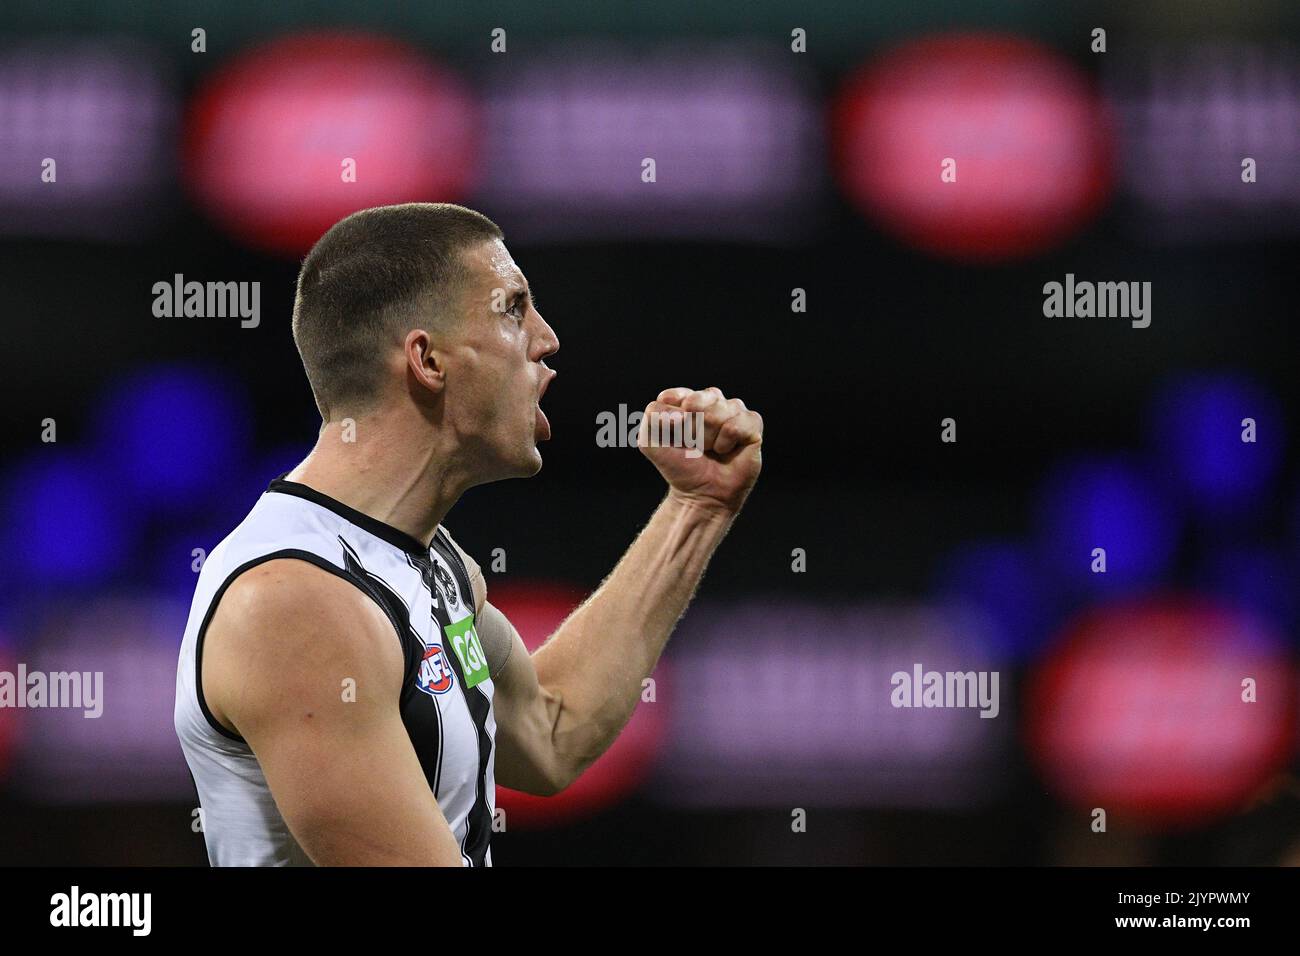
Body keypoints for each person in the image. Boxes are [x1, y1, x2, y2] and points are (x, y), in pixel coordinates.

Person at [174, 202, 763, 865]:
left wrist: (696, 508)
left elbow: (551, 730)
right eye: (514, 309)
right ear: (428, 360)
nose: (546, 340)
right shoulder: (295, 603)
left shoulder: (425, 561)